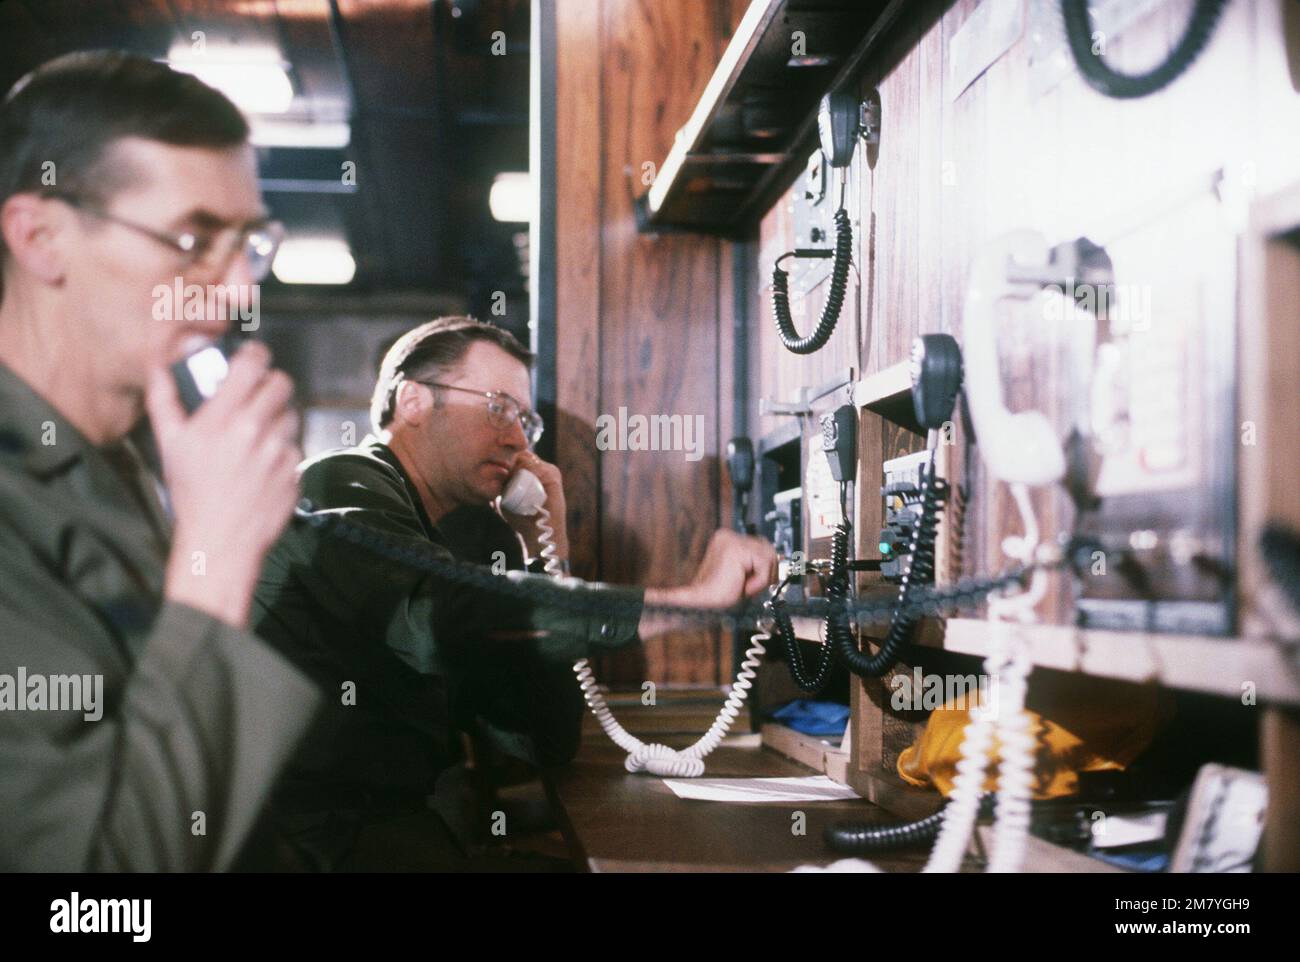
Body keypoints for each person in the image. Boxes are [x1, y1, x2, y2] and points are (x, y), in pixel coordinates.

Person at [253, 316, 775, 869]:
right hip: (310, 847)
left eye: (526, 420)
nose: (519, 438)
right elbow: (434, 620)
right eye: (498, 406)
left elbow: (541, 739)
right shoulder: (340, 480)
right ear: (413, 401)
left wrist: (546, 553)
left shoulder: (425, 544)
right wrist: (689, 602)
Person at [0, 51, 318, 870]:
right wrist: (216, 559)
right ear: (39, 236)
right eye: (193, 239)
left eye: (250, 242)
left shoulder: (136, 456)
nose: (240, 291)